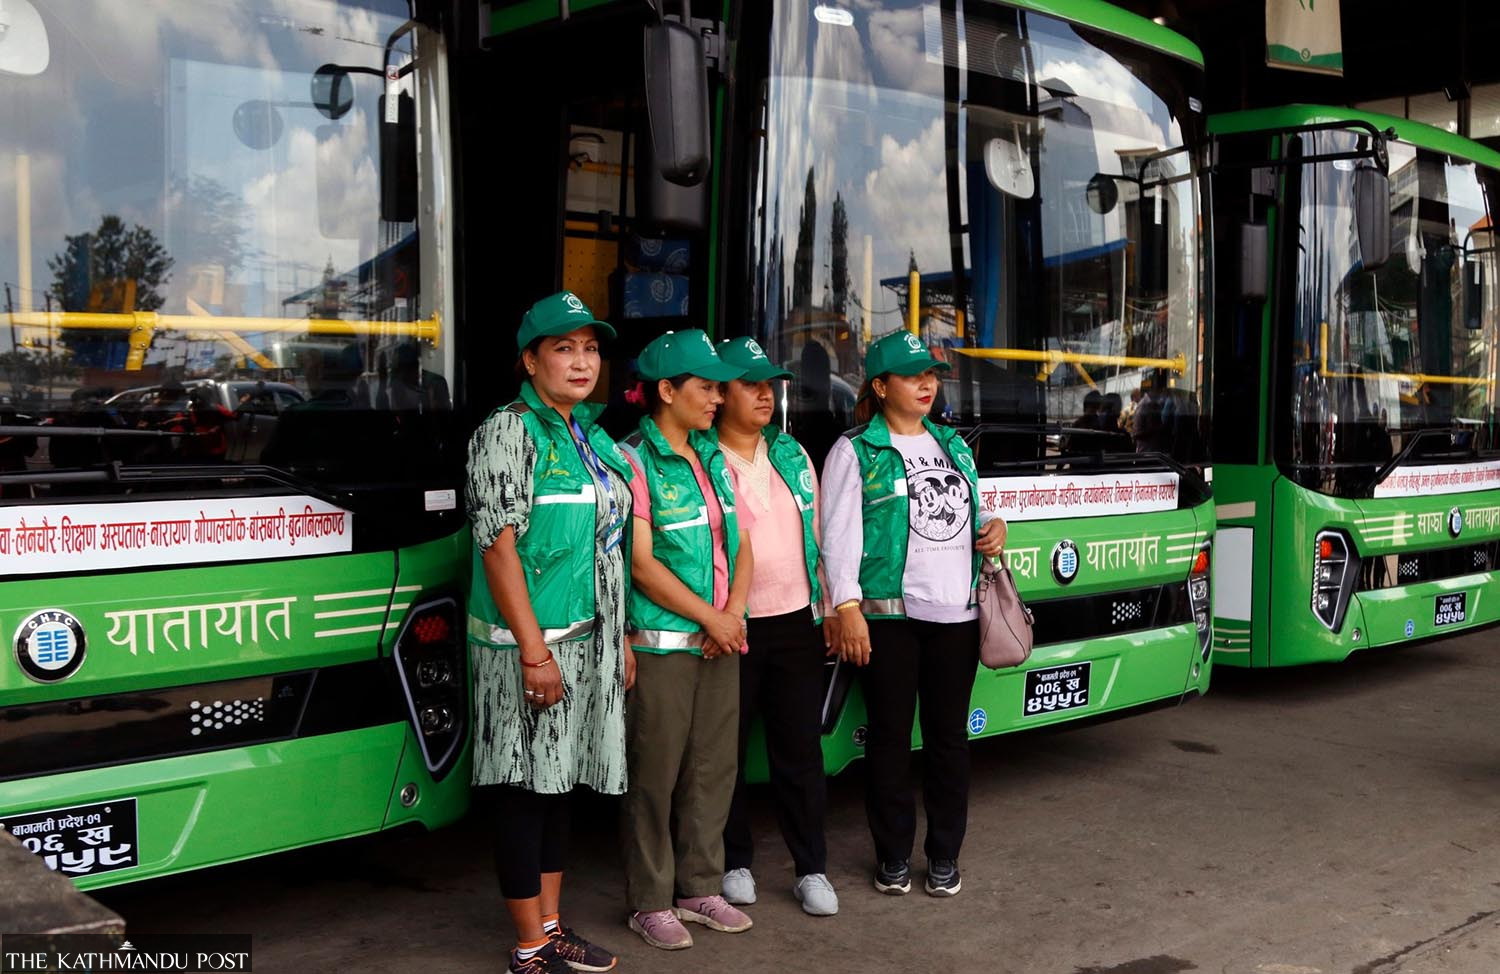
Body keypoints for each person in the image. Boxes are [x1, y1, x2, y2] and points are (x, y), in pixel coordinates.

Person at [467, 291, 635, 974]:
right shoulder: (508, 431)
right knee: (522, 792)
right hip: (528, 649)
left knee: (560, 788)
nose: (581, 361)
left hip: (590, 640)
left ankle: (554, 926)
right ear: (529, 361)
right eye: (563, 348)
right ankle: (529, 946)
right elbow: (497, 548)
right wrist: (535, 651)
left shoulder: (587, 434)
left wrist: (618, 638)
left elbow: (608, 543)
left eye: (590, 348)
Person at [820, 330, 1007, 899]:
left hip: (957, 615)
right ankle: (893, 855)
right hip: (890, 619)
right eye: (912, 375)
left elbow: (981, 514)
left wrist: (997, 530)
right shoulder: (856, 450)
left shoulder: (954, 445)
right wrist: (846, 607)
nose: (927, 383)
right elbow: (836, 538)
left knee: (950, 740)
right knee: (890, 740)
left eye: (931, 374)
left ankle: (945, 854)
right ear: (880, 386)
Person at [619, 329, 755, 950]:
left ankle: (699, 887)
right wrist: (711, 617)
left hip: (718, 639)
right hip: (662, 645)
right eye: (705, 386)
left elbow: (741, 544)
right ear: (666, 391)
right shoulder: (633, 460)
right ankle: (649, 900)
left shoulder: (712, 456)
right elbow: (641, 563)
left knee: (713, 769)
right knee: (656, 774)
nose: (718, 398)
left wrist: (734, 615)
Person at [713, 337, 839, 918]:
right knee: (725, 753)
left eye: (770, 384)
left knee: (800, 752)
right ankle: (734, 861)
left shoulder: (791, 454)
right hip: (731, 628)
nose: (765, 393)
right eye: (750, 383)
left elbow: (818, 544)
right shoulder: (701, 460)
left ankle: (810, 867)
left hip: (796, 622)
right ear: (720, 392)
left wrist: (833, 608)